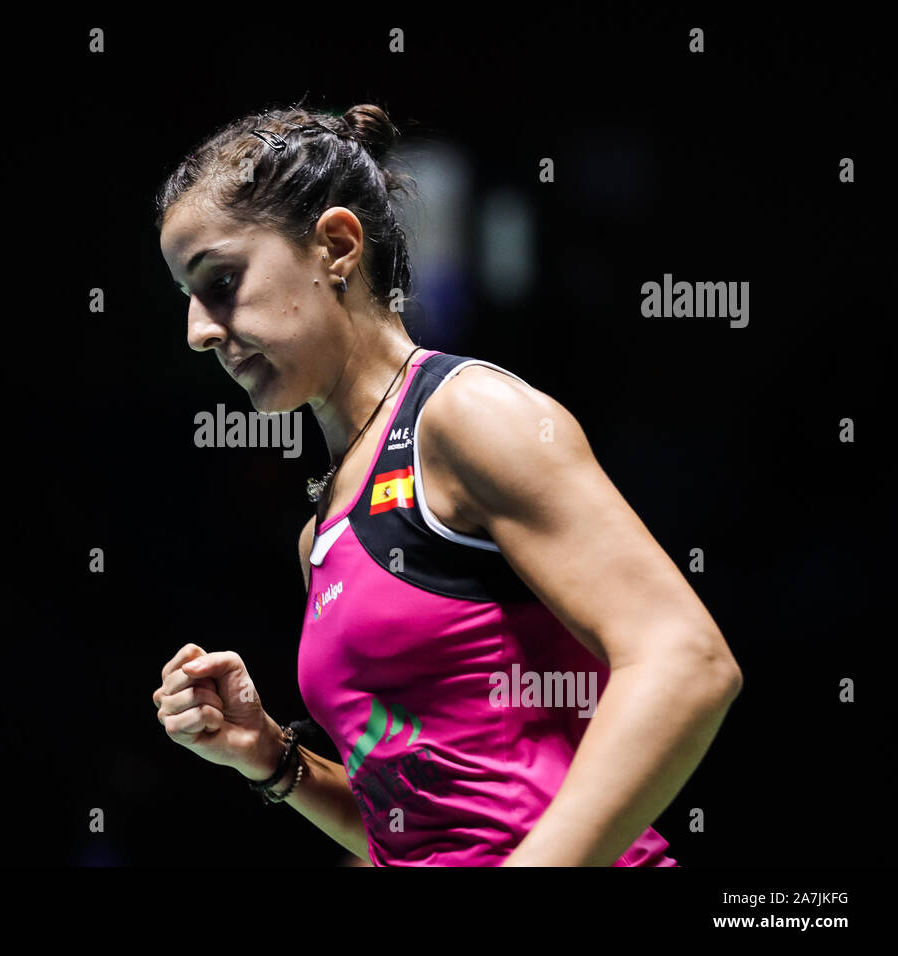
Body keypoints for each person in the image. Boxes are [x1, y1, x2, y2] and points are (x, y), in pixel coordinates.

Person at [151, 101, 742, 866]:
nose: (199, 330)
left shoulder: (468, 416)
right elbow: (422, 833)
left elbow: (685, 661)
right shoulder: (323, 529)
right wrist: (269, 756)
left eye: (221, 280)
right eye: (187, 299)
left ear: (335, 245)